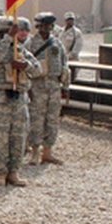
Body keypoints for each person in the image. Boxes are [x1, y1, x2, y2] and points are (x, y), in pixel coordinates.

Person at [0, 16, 41, 186]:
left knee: (18, 138)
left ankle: (14, 171)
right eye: (7, 33)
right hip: (0, 101)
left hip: (19, 101)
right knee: (0, 139)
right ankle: (0, 172)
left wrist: (25, 66)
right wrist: (8, 39)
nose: (12, 36)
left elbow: (38, 70)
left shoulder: (21, 51)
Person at [26, 12, 68, 165]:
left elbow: (64, 65)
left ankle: (48, 151)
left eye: (49, 25)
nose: (47, 28)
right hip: (37, 86)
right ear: (38, 26)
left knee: (52, 119)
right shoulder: (30, 44)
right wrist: (28, 88)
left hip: (54, 86)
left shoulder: (57, 43)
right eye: (44, 25)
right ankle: (35, 151)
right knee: (37, 119)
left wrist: (65, 86)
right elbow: (25, 68)